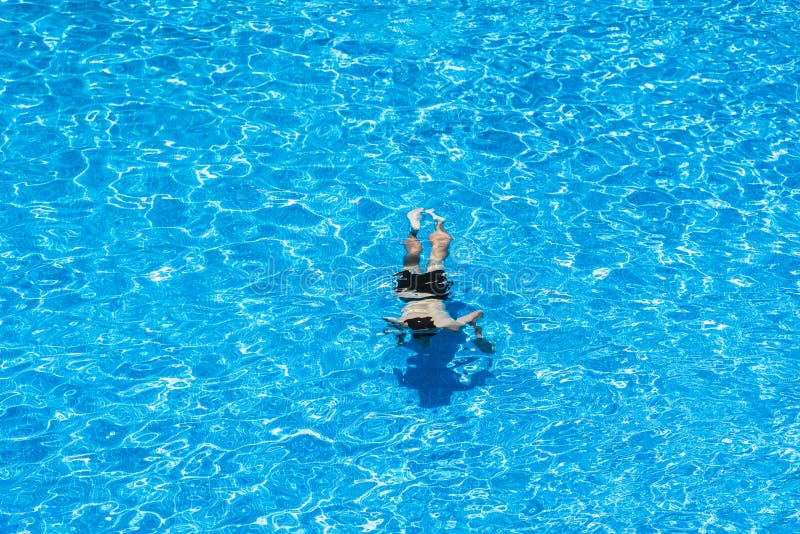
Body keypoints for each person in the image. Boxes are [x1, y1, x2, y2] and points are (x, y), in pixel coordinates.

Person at [383, 208, 493, 352]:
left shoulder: (449, 325)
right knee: (412, 257)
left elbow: (478, 313)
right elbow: (389, 321)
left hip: (435, 292)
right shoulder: (402, 323)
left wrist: (478, 335)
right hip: (408, 293)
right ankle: (414, 230)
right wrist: (400, 337)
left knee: (437, 257)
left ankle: (439, 223)